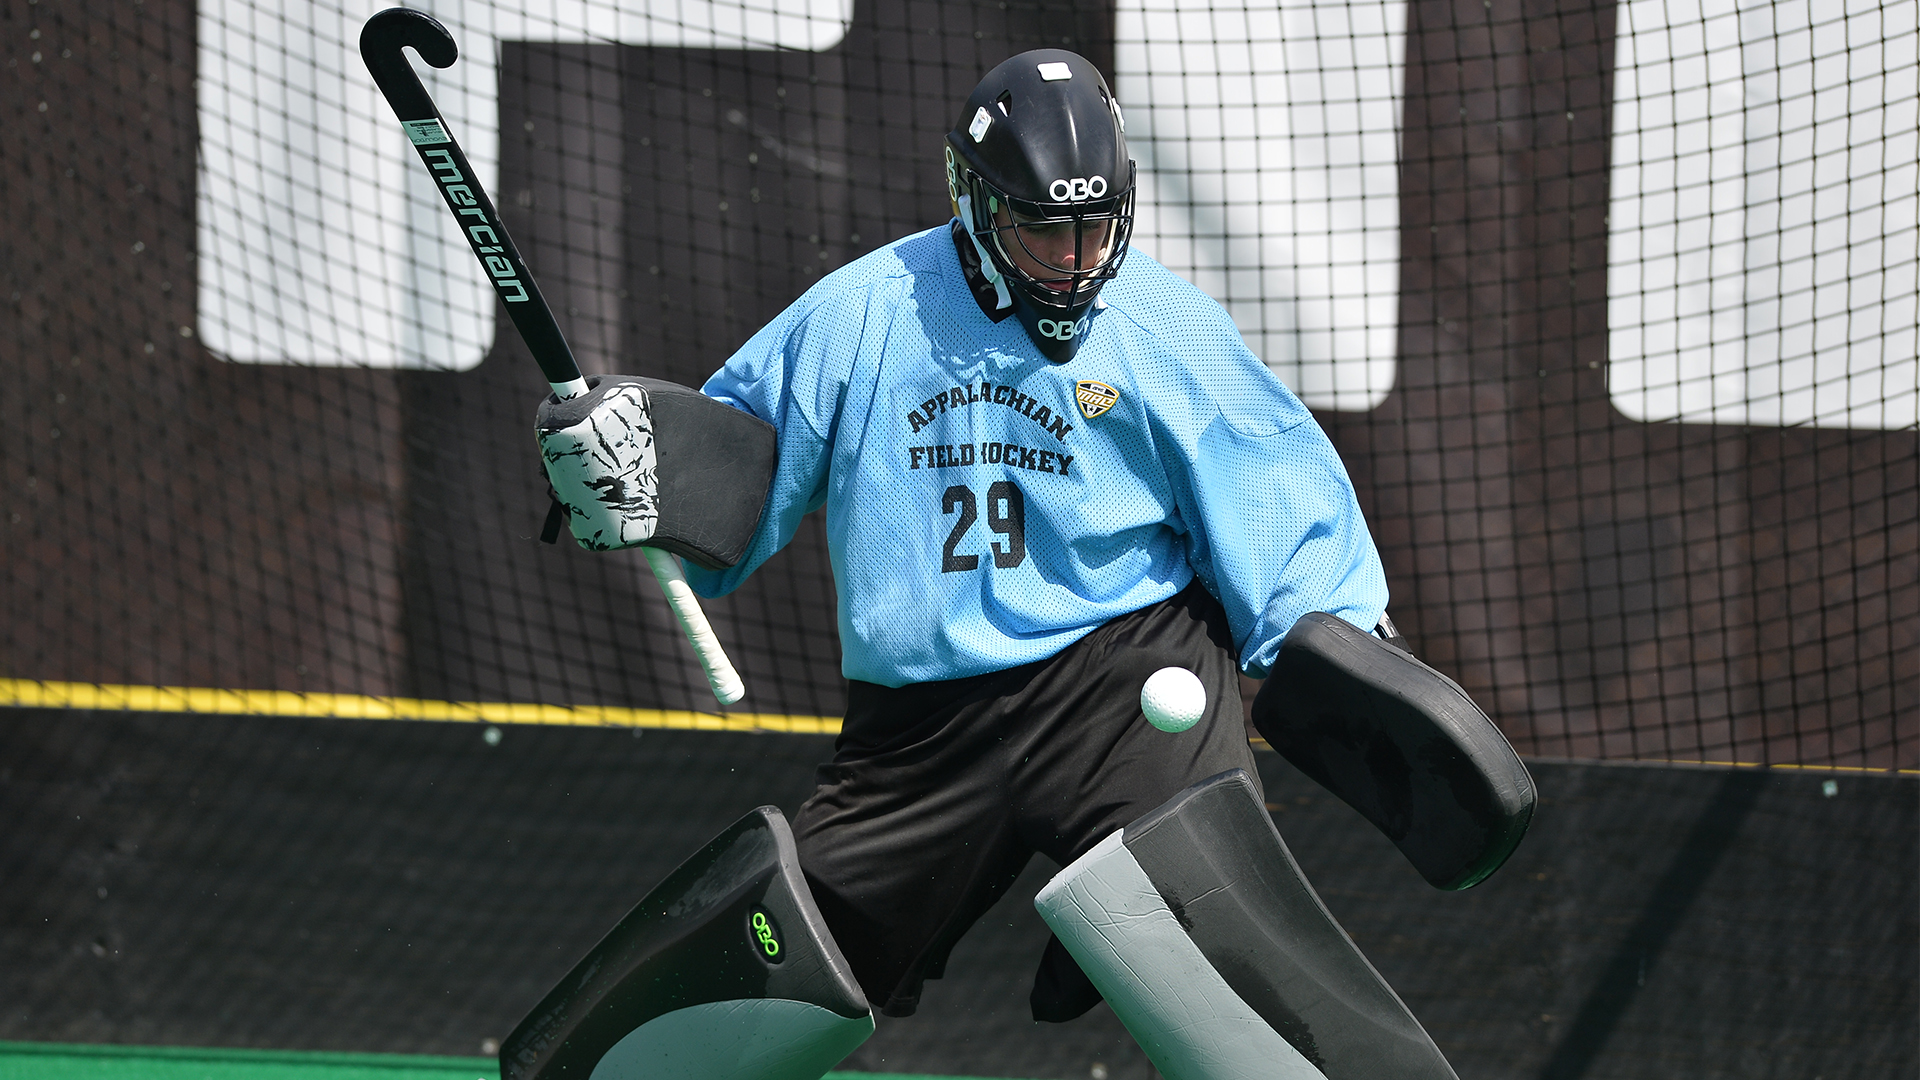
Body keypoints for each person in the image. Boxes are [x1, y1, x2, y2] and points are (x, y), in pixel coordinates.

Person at [679, 47, 1391, 1025]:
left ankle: (1155, 920)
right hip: (921, 728)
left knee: (1226, 940)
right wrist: (640, 479)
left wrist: (1342, 635)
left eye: (1097, 228)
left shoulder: (1167, 327)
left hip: (1126, 682)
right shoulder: (860, 315)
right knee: (779, 979)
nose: (1074, 259)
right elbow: (726, 481)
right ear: (974, 203)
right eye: (1041, 228)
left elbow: (1273, 489)